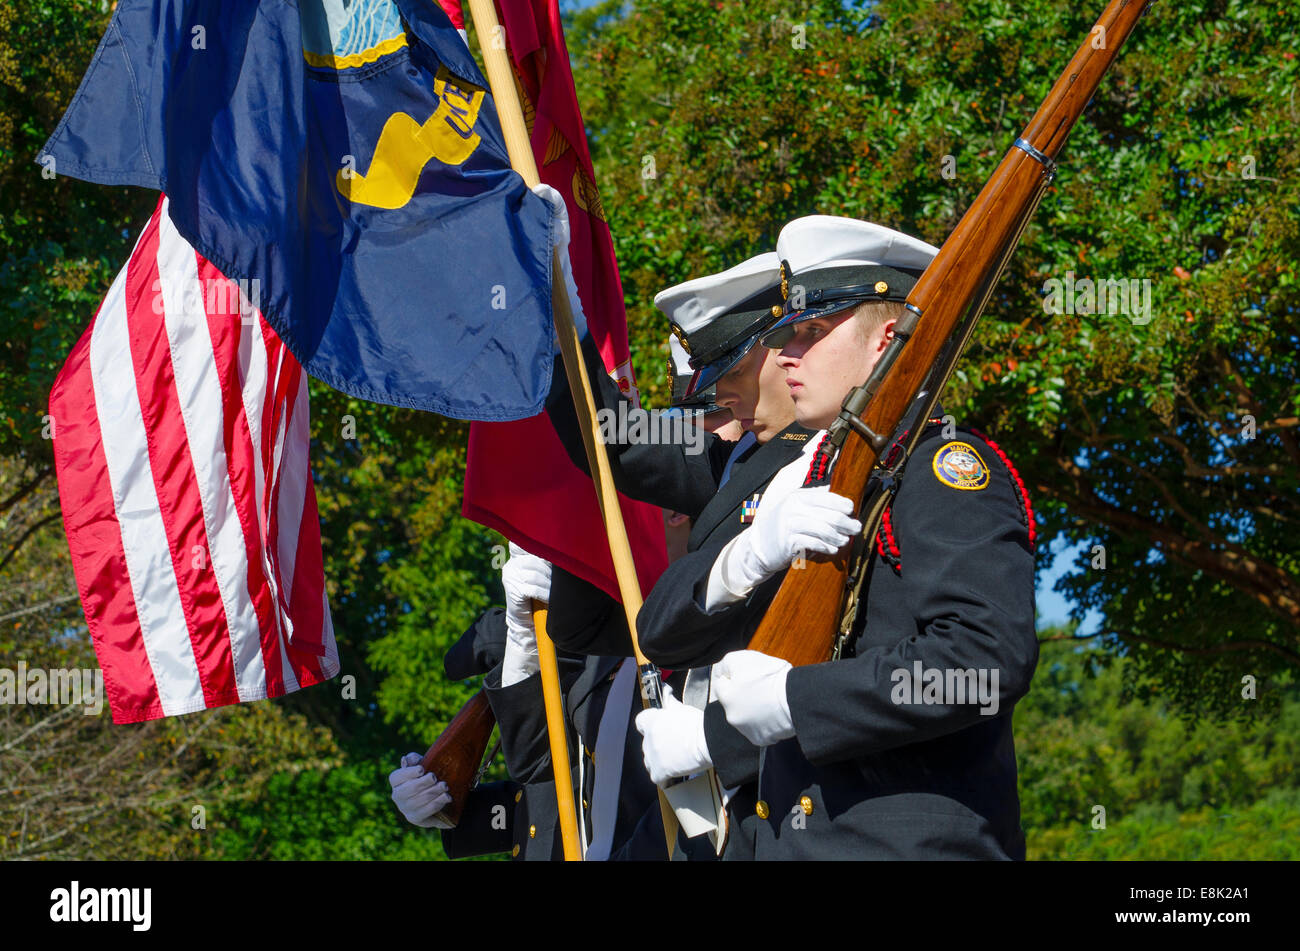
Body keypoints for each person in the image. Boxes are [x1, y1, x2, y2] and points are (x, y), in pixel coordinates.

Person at [640, 215, 1040, 859]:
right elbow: (658, 628)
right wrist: (745, 556)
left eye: (811, 333)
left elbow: (983, 661)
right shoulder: (812, 481)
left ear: (887, 339)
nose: (786, 355)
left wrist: (795, 700)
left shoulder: (941, 469)